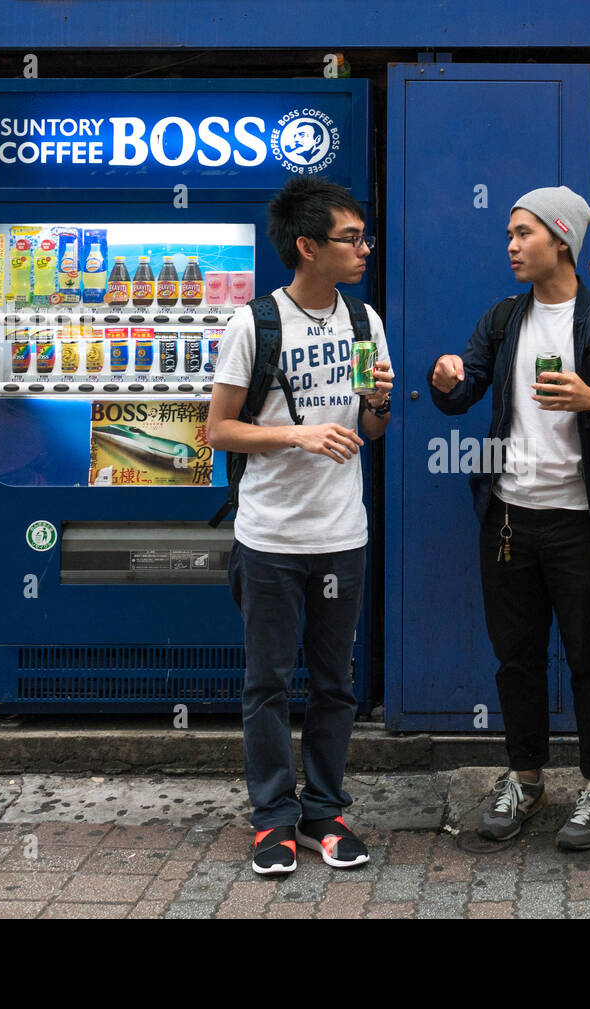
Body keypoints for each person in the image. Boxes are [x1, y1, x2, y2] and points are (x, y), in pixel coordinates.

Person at [429, 186, 590, 850]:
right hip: (507, 519)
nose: (510, 245)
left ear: (561, 240)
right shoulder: (503, 319)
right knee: (517, 658)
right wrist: (445, 378)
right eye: (508, 234)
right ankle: (525, 780)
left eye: (522, 233)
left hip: (582, 523)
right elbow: (464, 386)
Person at [208, 178, 393, 876]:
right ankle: (273, 817)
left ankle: (325, 809)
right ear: (308, 246)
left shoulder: (365, 321)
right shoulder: (253, 324)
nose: (364, 247)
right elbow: (217, 429)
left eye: (363, 236)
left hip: (343, 533)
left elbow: (370, 428)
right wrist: (299, 436)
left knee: (334, 682)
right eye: (350, 238)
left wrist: (375, 405)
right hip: (271, 538)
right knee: (266, 684)